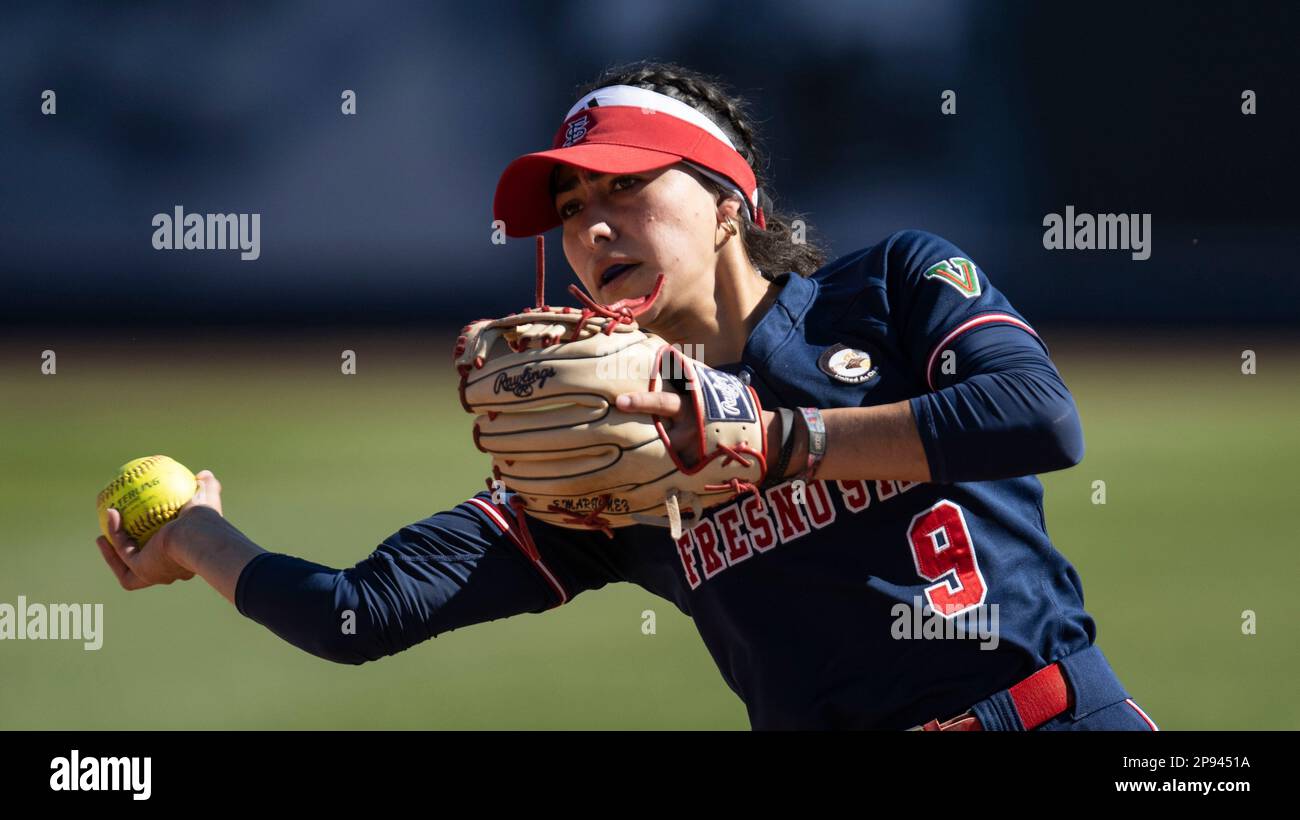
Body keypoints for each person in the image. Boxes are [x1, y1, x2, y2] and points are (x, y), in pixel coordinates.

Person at [95, 61, 1157, 731]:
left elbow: (1036, 417)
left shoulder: (887, 289)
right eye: (571, 205)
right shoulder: (599, 457)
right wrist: (197, 536)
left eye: (624, 187)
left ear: (729, 199)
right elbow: (354, 613)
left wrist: (776, 436)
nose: (592, 227)